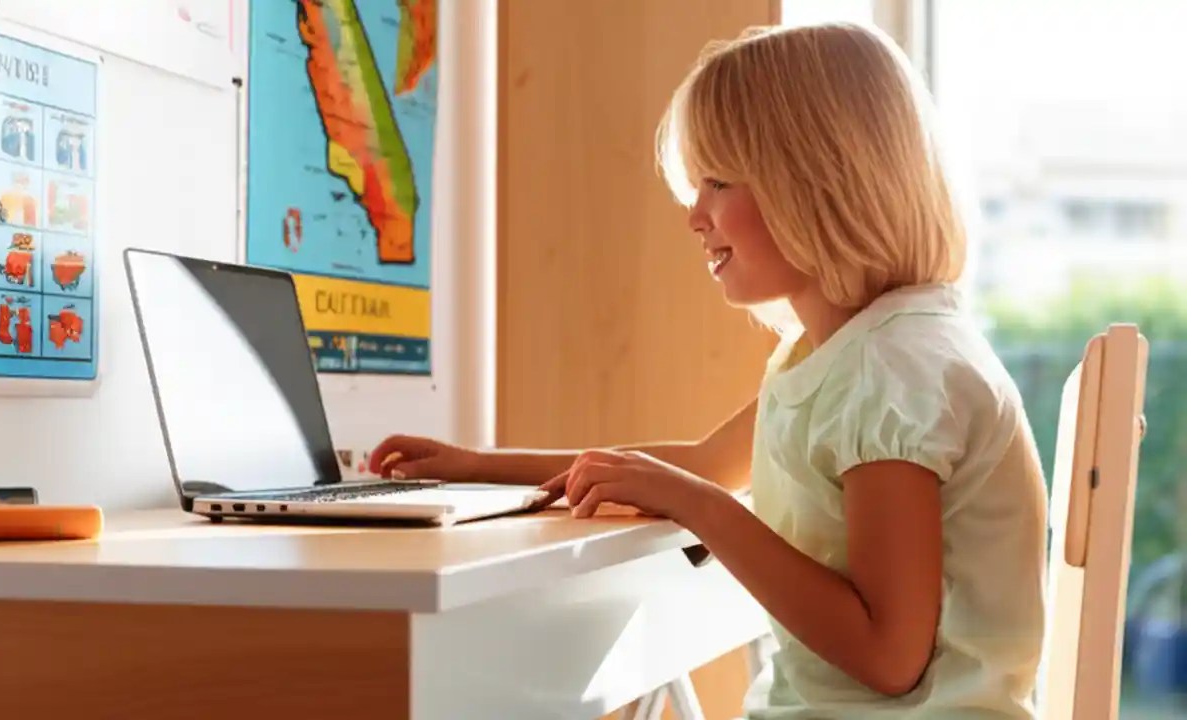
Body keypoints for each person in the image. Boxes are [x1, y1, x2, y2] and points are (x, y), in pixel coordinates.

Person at [369, 21, 1048, 719]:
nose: (694, 215)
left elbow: (887, 655)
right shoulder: (843, 355)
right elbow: (700, 463)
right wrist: (475, 465)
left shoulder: (896, 371)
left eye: (718, 183)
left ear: (817, 182)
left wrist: (701, 506)